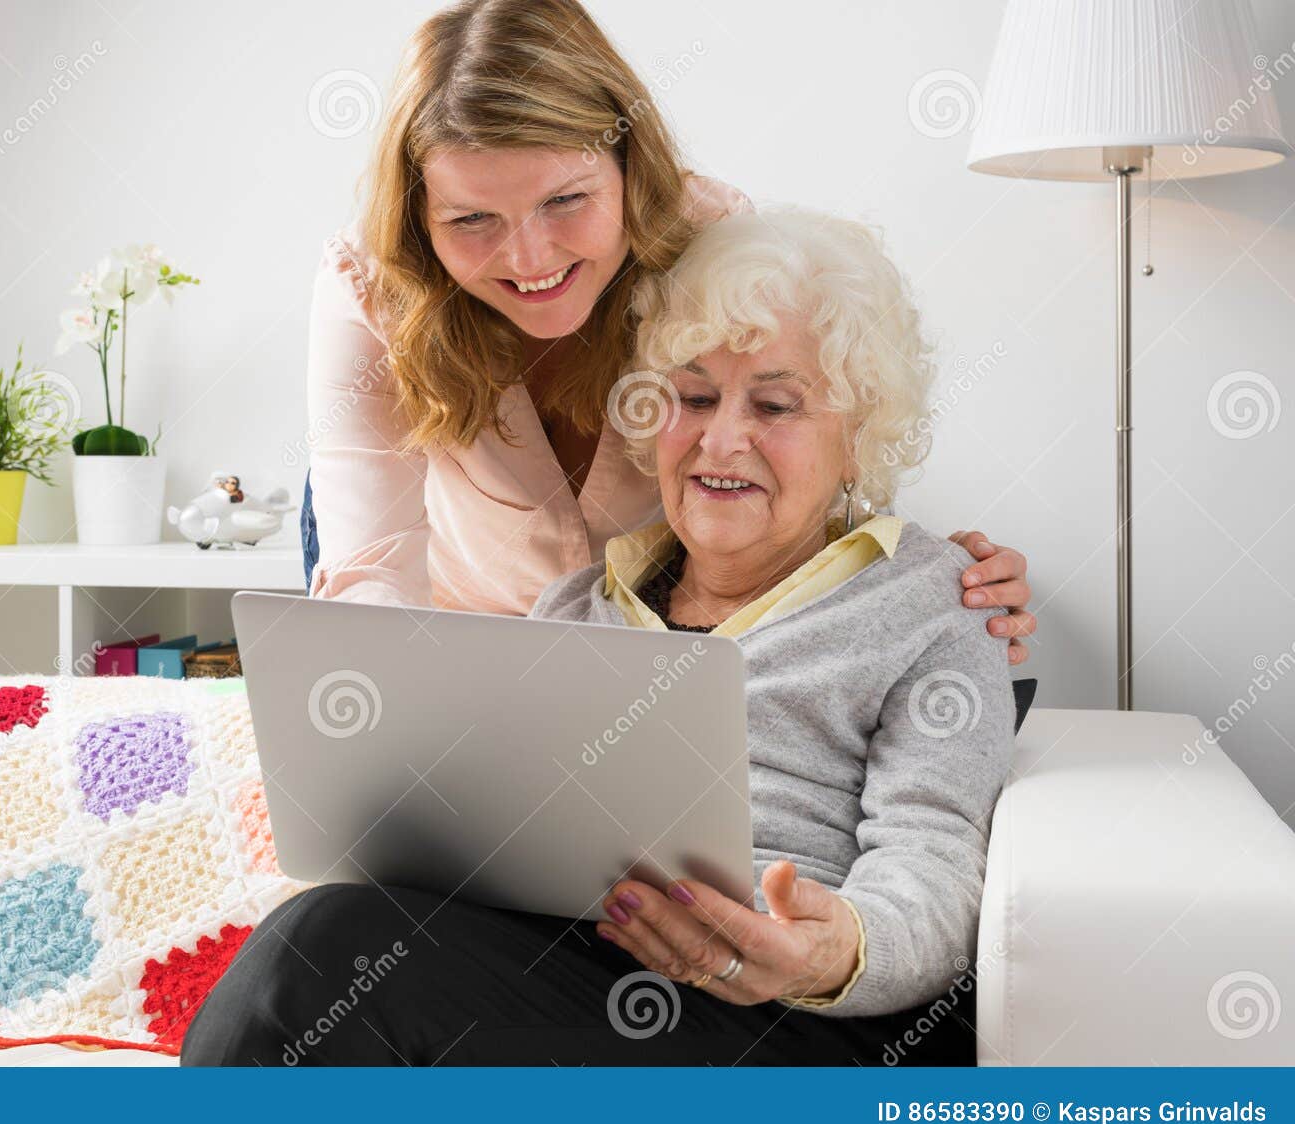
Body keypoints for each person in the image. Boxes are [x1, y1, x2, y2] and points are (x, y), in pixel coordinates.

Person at [183, 206, 1013, 1067]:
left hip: (793, 1017)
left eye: (775, 403)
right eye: (692, 397)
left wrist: (835, 946)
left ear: (857, 438)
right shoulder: (576, 610)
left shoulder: (938, 603)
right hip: (575, 985)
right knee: (323, 942)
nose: (721, 439)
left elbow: (939, 862)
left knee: (318, 955)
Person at [296, 0, 1036, 663]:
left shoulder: (709, 240)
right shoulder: (373, 285)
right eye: (471, 219)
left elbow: (791, 440)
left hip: (645, 645)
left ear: (627, 164)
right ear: (423, 223)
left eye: (566, 200)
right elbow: (372, 577)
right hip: (456, 623)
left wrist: (928, 584)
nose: (529, 259)